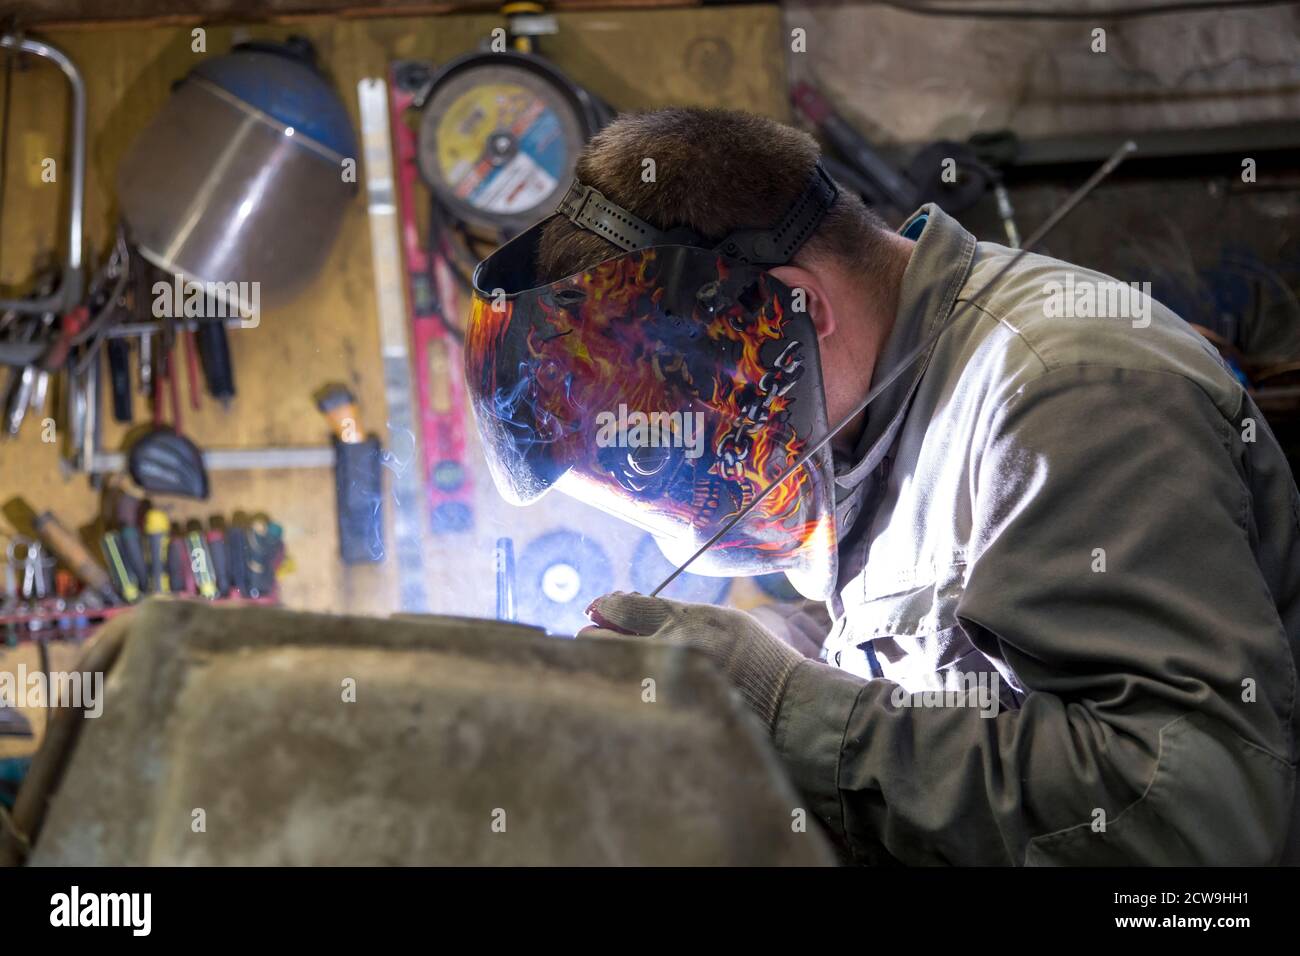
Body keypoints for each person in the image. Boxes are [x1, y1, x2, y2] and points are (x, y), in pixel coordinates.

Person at [466, 107, 1300, 865]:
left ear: (792, 313)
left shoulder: (1067, 393)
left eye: (697, 443)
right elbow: (962, 672)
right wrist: (790, 651)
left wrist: (785, 705)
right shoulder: (876, 413)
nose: (698, 502)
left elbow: (1196, 820)